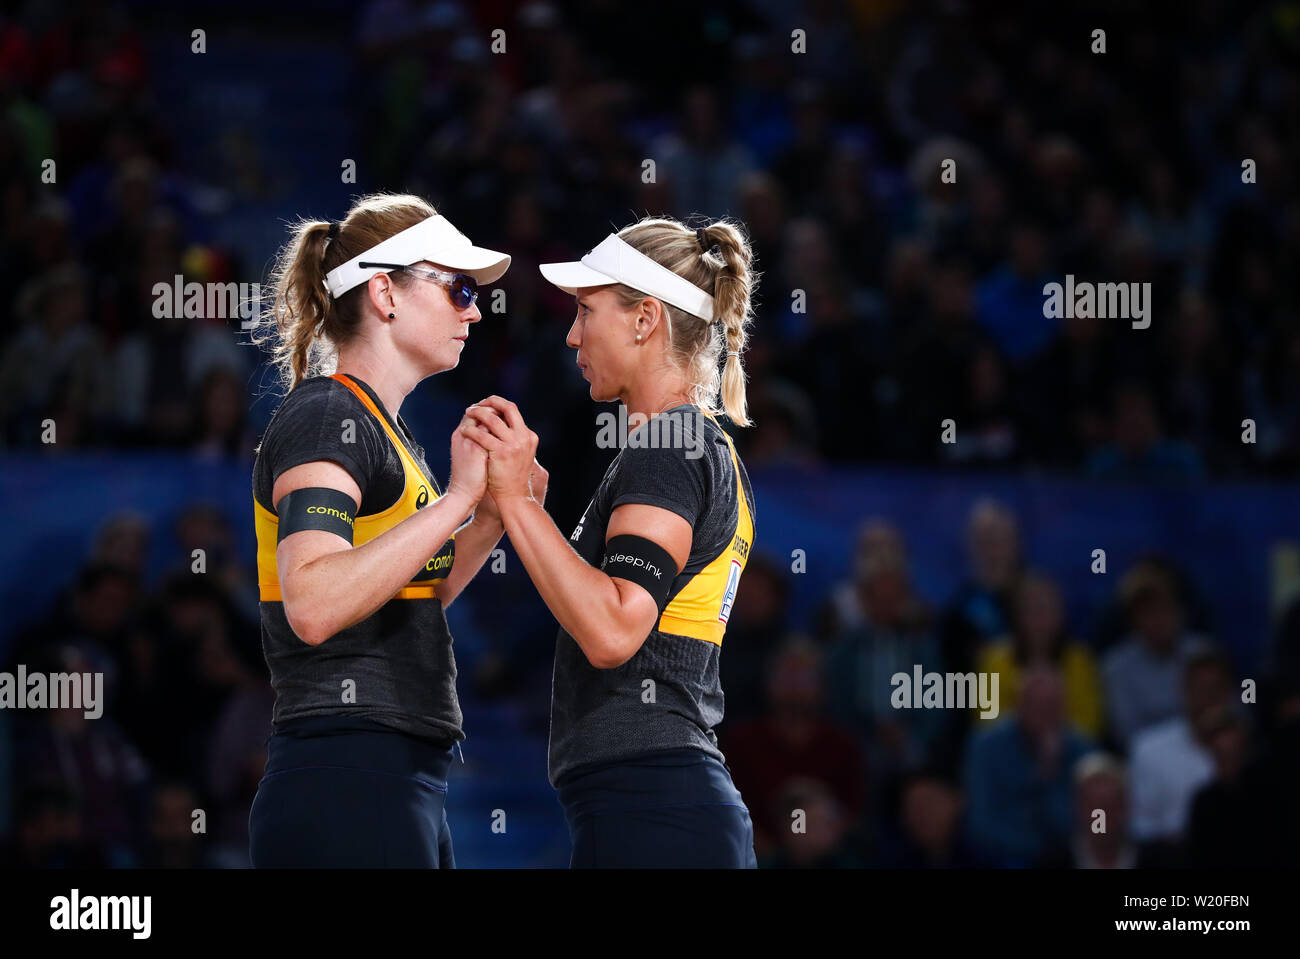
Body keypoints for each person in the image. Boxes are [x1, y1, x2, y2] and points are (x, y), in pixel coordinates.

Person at [459, 217, 759, 867]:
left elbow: (615, 628)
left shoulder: (668, 446)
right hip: (659, 803)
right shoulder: (697, 445)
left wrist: (515, 502)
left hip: (654, 805)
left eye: (587, 311)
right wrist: (522, 513)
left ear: (645, 319)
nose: (571, 335)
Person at [245, 193, 516, 867]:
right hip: (348, 772)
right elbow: (313, 602)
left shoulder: (375, 426)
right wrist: (456, 500)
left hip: (390, 773)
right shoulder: (326, 414)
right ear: (385, 293)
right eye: (457, 288)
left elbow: (401, 600)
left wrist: (488, 514)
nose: (475, 309)